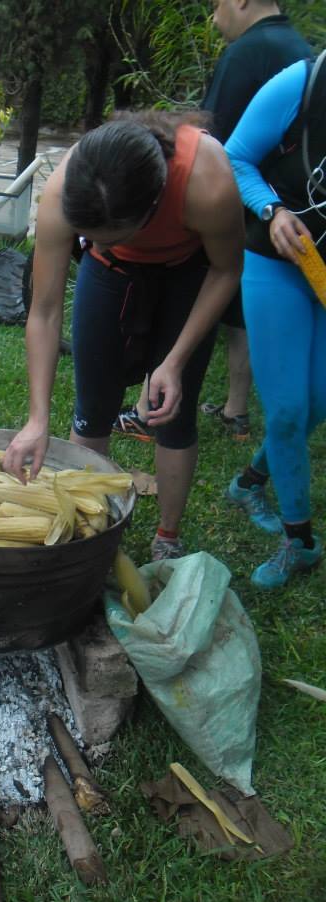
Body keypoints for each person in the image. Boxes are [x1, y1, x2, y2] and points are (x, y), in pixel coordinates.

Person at [2, 112, 243, 560]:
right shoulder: (65, 191)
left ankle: (167, 538)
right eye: (89, 237)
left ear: (151, 207)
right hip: (109, 279)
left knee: (173, 411)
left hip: (188, 274)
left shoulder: (207, 179)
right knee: (92, 408)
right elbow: (46, 309)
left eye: (111, 236)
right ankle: (90, 534)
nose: (99, 241)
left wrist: (173, 361)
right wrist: (37, 418)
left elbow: (227, 271)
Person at [113, 0, 310, 443]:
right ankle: (235, 409)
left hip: (234, 203)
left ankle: (151, 406)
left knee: (187, 299)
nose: (214, 13)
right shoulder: (301, 50)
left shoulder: (247, 52)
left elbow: (207, 138)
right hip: (282, 216)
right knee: (241, 310)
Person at [224, 54, 326, 588]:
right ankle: (300, 541)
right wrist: (272, 209)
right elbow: (235, 157)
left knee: (318, 401)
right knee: (287, 408)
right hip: (277, 262)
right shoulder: (301, 83)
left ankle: (249, 482)